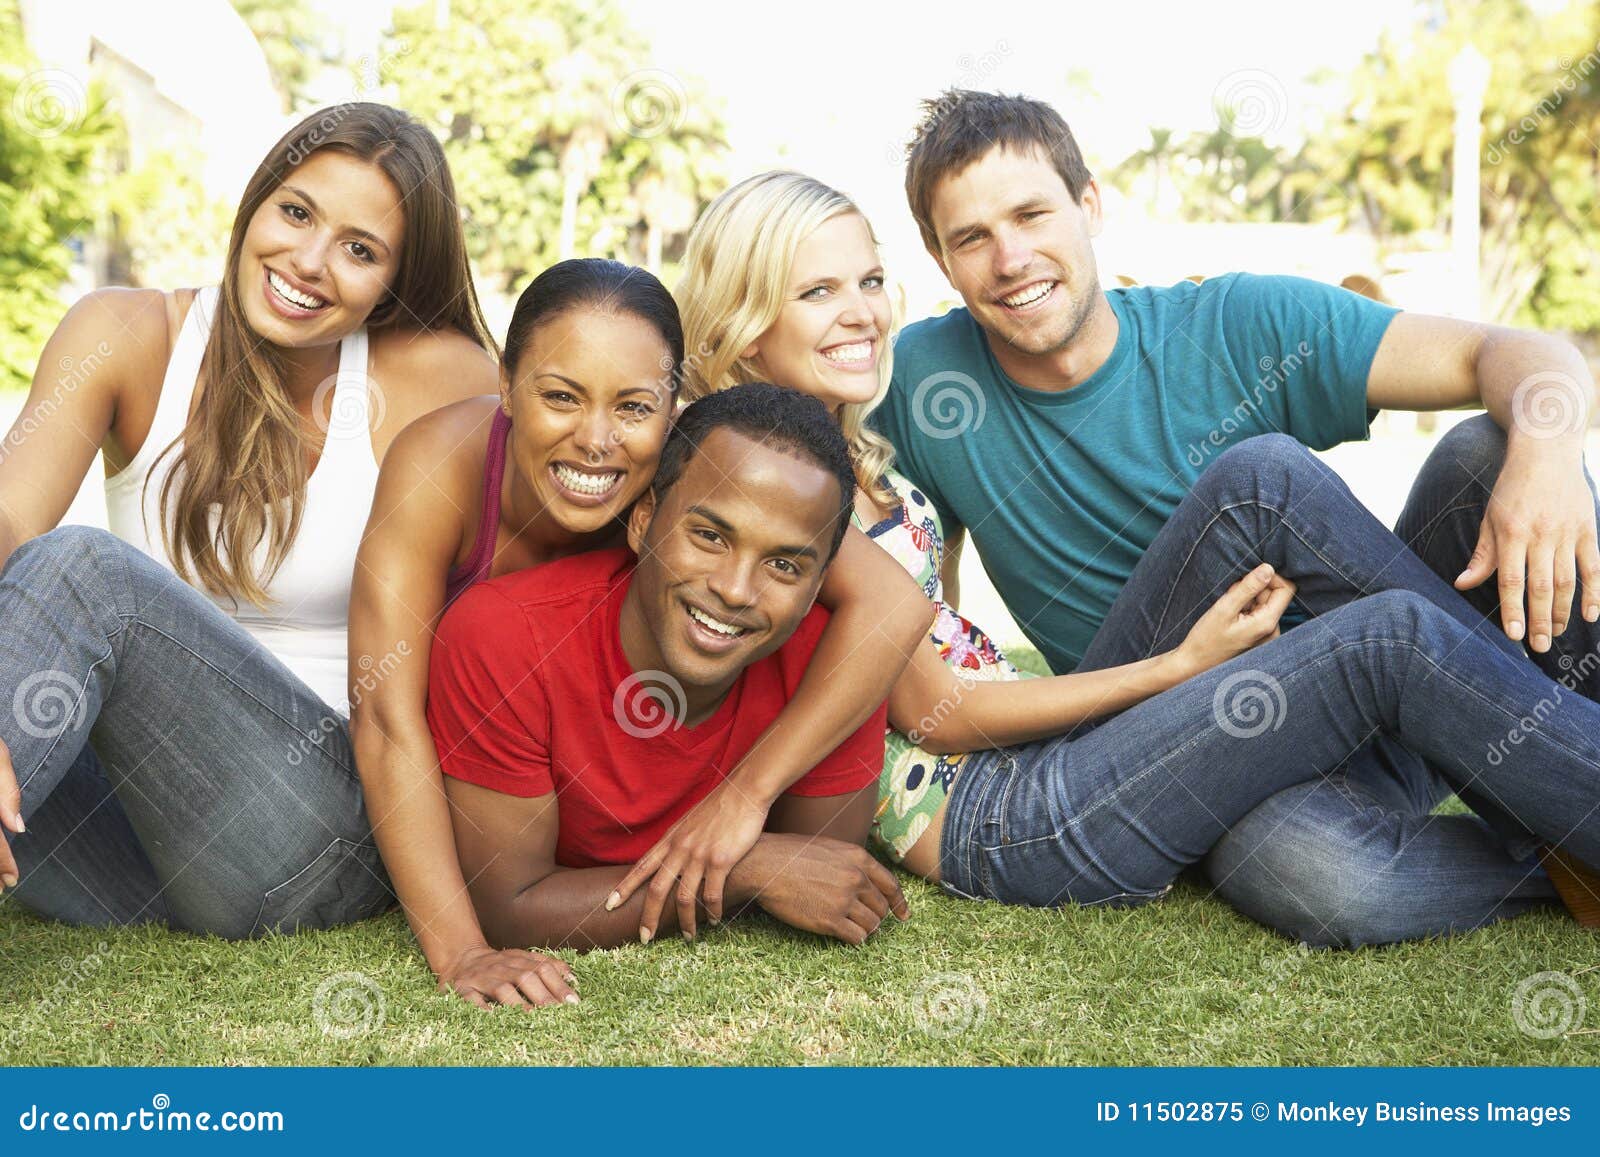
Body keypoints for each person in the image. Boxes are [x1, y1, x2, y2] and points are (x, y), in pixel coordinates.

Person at [676, 169, 1600, 943]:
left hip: (1041, 759)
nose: (863, 315)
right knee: (1366, 703)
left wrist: (1549, 444)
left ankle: (1556, 793)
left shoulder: (859, 443)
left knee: (1313, 480)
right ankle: (1565, 822)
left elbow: (944, 630)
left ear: (1089, 204)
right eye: (817, 292)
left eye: (869, 283)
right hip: (993, 818)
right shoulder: (767, 485)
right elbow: (936, 712)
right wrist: (1175, 669)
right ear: (749, 319)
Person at [0, 103, 515, 944]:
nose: (307, 263)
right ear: (256, 202)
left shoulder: (438, 378)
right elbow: (11, 513)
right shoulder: (129, 334)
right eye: (297, 212)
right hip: (124, 853)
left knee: (90, 573)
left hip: (307, 842)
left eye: (360, 249)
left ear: (397, 279)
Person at [350, 260, 930, 1006]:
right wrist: (462, 950)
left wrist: (743, 801)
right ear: (506, 385)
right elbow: (385, 718)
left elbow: (889, 605)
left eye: (632, 407)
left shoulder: (712, 467)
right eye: (560, 396)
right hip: (452, 765)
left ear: (674, 405)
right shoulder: (443, 467)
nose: (597, 440)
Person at [424, 383, 909, 952]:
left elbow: (825, 876)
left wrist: (770, 859)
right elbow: (513, 909)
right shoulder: (504, 636)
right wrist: (750, 872)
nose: (734, 590)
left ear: (820, 584)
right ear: (643, 520)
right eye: (708, 536)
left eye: (783, 565)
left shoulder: (835, 664)